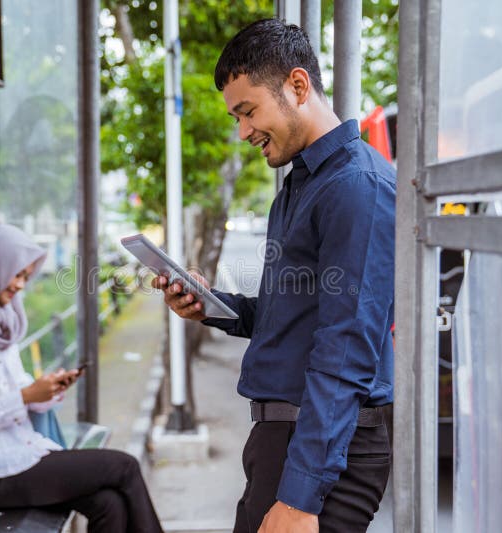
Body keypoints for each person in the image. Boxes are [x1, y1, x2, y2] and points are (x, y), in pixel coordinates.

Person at [154, 19, 396, 533]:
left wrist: (301, 497)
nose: (242, 132)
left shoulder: (356, 187)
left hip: (327, 452)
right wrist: (212, 306)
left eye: (248, 111)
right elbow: (290, 316)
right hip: (288, 439)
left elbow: (346, 349)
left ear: (298, 86)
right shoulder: (301, 184)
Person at [0, 224, 163, 533]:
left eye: (25, 276)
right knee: (125, 466)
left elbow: (20, 391)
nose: (20, 285)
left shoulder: (0, 322)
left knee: (109, 504)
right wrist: (24, 397)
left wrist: (46, 391)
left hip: (22, 453)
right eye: (16, 274)